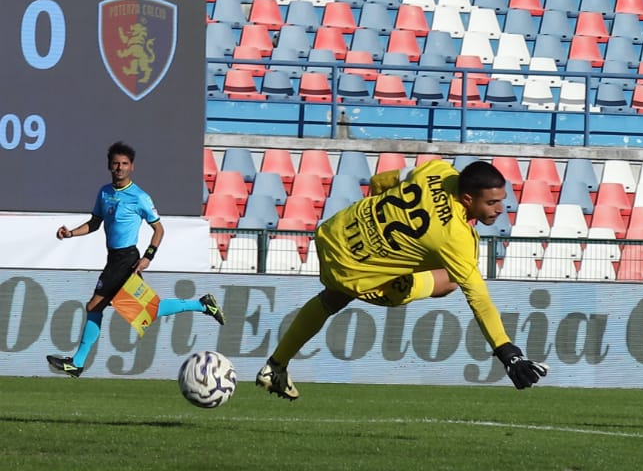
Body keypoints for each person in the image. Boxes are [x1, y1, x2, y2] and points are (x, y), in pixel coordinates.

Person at [256, 157, 547, 399]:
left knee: (331, 299)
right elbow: (479, 300)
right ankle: (277, 364)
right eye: (492, 202)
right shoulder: (456, 239)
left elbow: (381, 181)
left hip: (333, 233)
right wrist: (507, 352)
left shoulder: (436, 171)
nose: (500, 208)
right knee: (452, 280)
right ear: (468, 198)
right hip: (353, 271)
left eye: (502, 200)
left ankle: (275, 366)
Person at [48, 141, 226, 377]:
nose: (119, 168)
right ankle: (203, 305)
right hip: (114, 259)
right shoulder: (104, 192)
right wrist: (70, 233)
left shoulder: (139, 196)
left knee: (95, 306)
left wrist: (147, 257)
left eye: (124, 164)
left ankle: (78, 362)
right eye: (115, 164)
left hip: (126, 259)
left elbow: (159, 229)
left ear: (132, 167)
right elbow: (94, 223)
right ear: (109, 166)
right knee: (146, 311)